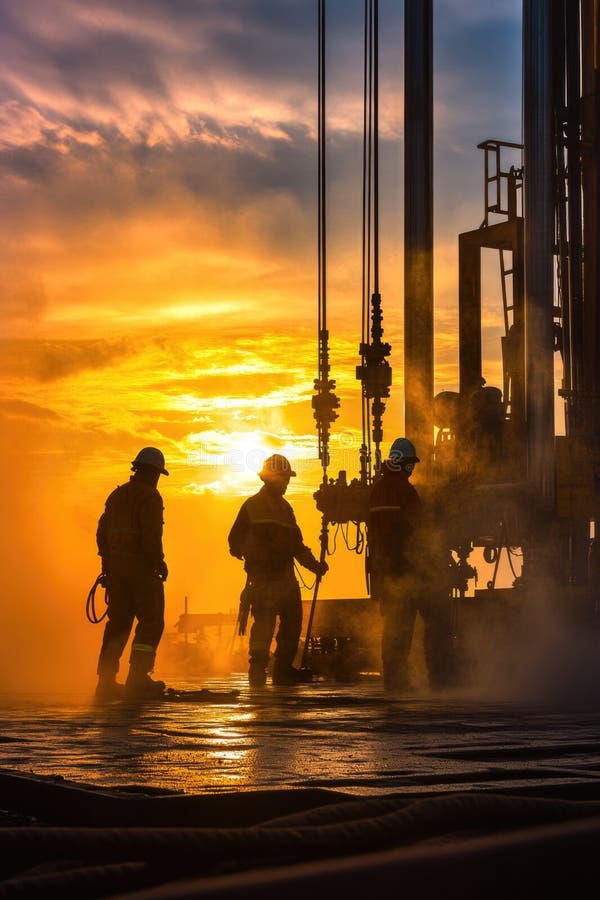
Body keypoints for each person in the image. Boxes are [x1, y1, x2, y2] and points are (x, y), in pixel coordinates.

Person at [228, 453, 328, 686]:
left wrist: (249, 555)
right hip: (275, 578)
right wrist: (316, 567)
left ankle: (260, 670)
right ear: (273, 478)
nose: (287, 483)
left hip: (269, 578)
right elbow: (297, 547)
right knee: (284, 624)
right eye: (284, 478)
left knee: (268, 624)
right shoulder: (283, 509)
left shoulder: (254, 505)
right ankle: (280, 670)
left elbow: (234, 542)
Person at [367, 437, 454, 693]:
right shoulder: (405, 490)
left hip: (386, 573)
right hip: (410, 571)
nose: (412, 469)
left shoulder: (376, 490)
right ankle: (439, 677)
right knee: (437, 619)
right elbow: (421, 529)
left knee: (396, 628)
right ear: (403, 464)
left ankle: (395, 681)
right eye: (411, 464)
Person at [95, 447, 170, 700]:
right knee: (150, 622)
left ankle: (105, 682)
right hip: (142, 572)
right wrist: (159, 563)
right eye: (158, 473)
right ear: (152, 472)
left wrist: (108, 565)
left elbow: (101, 534)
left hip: (117, 573)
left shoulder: (116, 496)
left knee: (118, 625)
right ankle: (138, 678)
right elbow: (151, 536)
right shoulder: (150, 497)